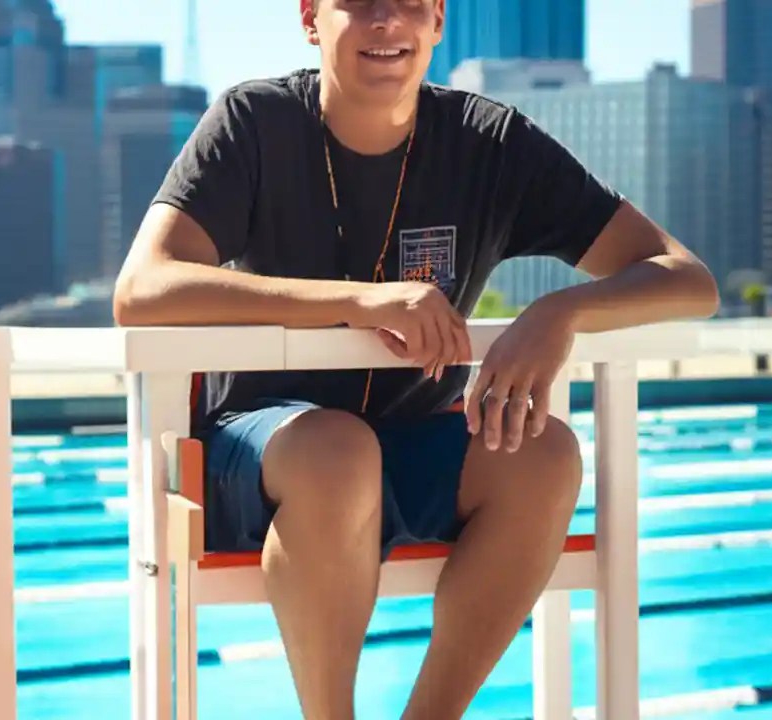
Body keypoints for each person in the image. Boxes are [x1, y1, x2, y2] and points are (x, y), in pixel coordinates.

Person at [113, 1, 719, 716]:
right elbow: (142, 287)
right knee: (337, 449)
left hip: (411, 447)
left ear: (437, 21)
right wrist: (357, 301)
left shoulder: (488, 144)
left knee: (545, 452)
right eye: (359, 3)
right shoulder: (256, 122)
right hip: (264, 454)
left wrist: (561, 312)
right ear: (311, 17)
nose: (386, 22)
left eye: (409, 4)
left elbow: (685, 278)